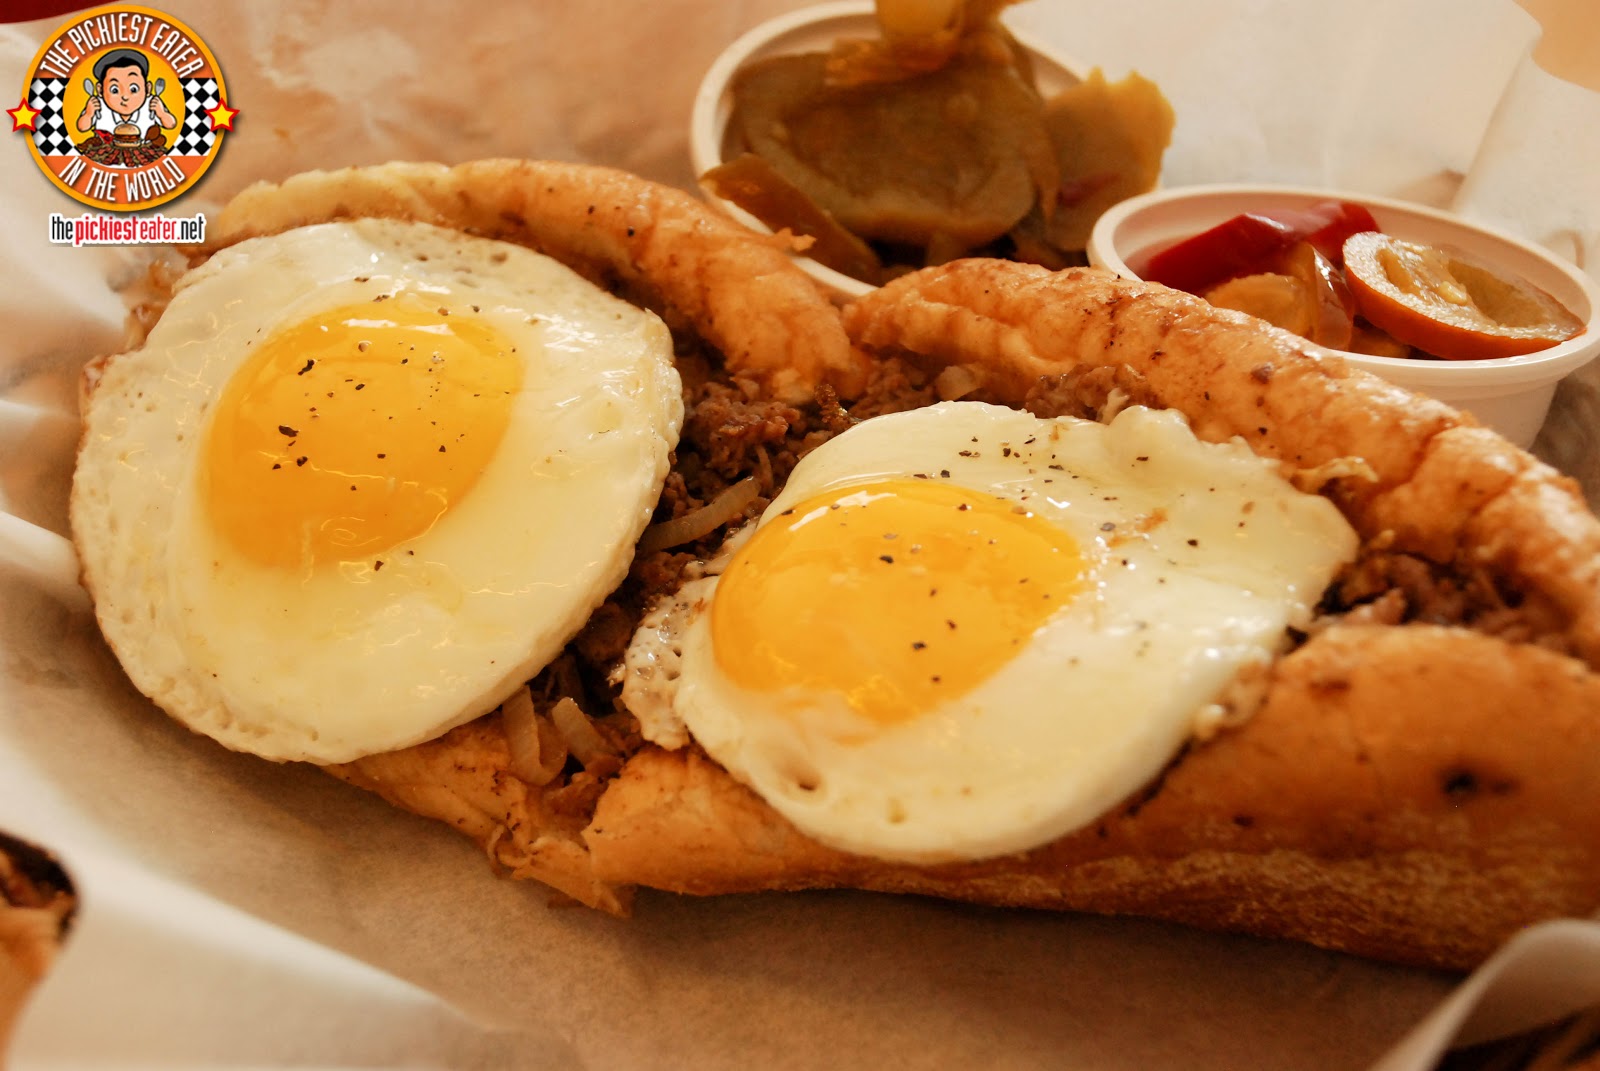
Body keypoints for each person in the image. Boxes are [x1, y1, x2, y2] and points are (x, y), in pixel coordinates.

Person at [74, 48, 176, 166]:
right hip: (105, 160)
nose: (125, 96)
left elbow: (170, 124)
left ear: (147, 89)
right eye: (115, 90)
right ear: (100, 90)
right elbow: (82, 127)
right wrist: (88, 114)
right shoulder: (97, 104)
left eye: (133, 89)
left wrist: (162, 113)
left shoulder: (152, 103)